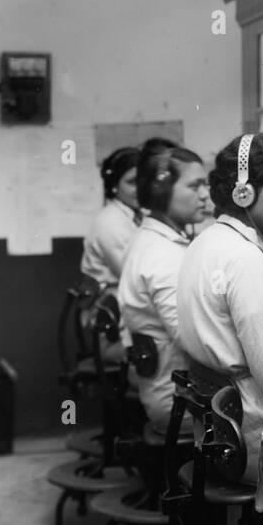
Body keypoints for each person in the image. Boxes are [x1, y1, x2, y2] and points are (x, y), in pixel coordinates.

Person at [177, 133, 263, 490]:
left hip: (219, 439)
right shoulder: (244, 260)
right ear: (243, 192)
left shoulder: (206, 242)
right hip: (253, 443)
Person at [117, 145, 208, 432]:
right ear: (162, 191)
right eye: (195, 186)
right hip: (177, 402)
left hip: (168, 390)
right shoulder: (162, 256)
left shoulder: (156, 240)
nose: (205, 194)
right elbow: (192, 341)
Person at [80, 147, 139, 290]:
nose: (139, 188)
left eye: (143, 181)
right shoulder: (110, 222)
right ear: (114, 185)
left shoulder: (136, 214)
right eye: (131, 182)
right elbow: (133, 274)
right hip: (110, 302)